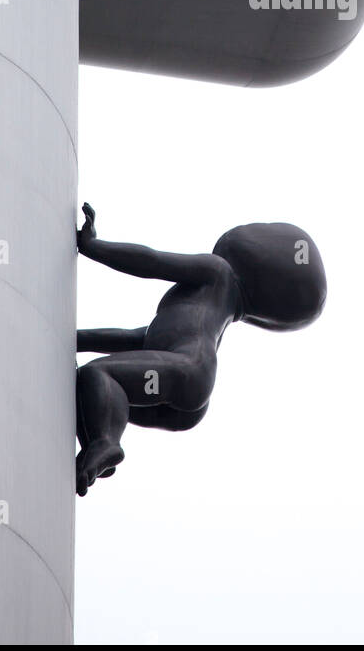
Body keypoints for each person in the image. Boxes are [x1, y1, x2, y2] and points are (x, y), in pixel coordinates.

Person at [74, 203, 326, 496]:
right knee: (89, 390)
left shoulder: (217, 272)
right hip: (189, 391)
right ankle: (95, 452)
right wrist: (76, 339)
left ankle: (106, 441)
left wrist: (94, 247)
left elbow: (151, 262)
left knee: (100, 376)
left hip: (186, 366)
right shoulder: (212, 310)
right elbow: (139, 340)